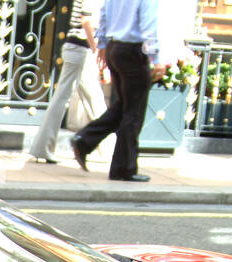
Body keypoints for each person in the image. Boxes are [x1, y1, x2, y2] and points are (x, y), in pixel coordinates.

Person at [70, 0, 168, 182]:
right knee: (133, 112)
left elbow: (104, 15)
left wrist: (103, 45)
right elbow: (148, 27)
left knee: (124, 105)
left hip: (115, 48)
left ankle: (84, 140)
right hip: (132, 51)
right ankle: (124, 168)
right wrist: (156, 59)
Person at [29, 0, 100, 163]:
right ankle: (42, 147)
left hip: (78, 48)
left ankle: (109, 148)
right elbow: (86, 20)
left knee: (94, 99)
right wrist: (96, 48)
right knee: (64, 98)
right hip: (81, 48)